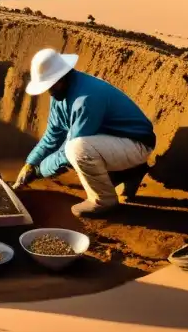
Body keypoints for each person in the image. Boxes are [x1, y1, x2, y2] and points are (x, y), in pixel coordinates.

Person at [12, 49, 156, 217]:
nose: (49, 91)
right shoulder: (61, 93)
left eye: (51, 85)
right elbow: (53, 134)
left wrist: (39, 171)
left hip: (137, 144)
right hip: (115, 141)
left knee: (77, 149)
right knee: (78, 147)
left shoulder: (86, 99)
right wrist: (30, 163)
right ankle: (130, 172)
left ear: (62, 76)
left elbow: (68, 153)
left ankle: (103, 200)